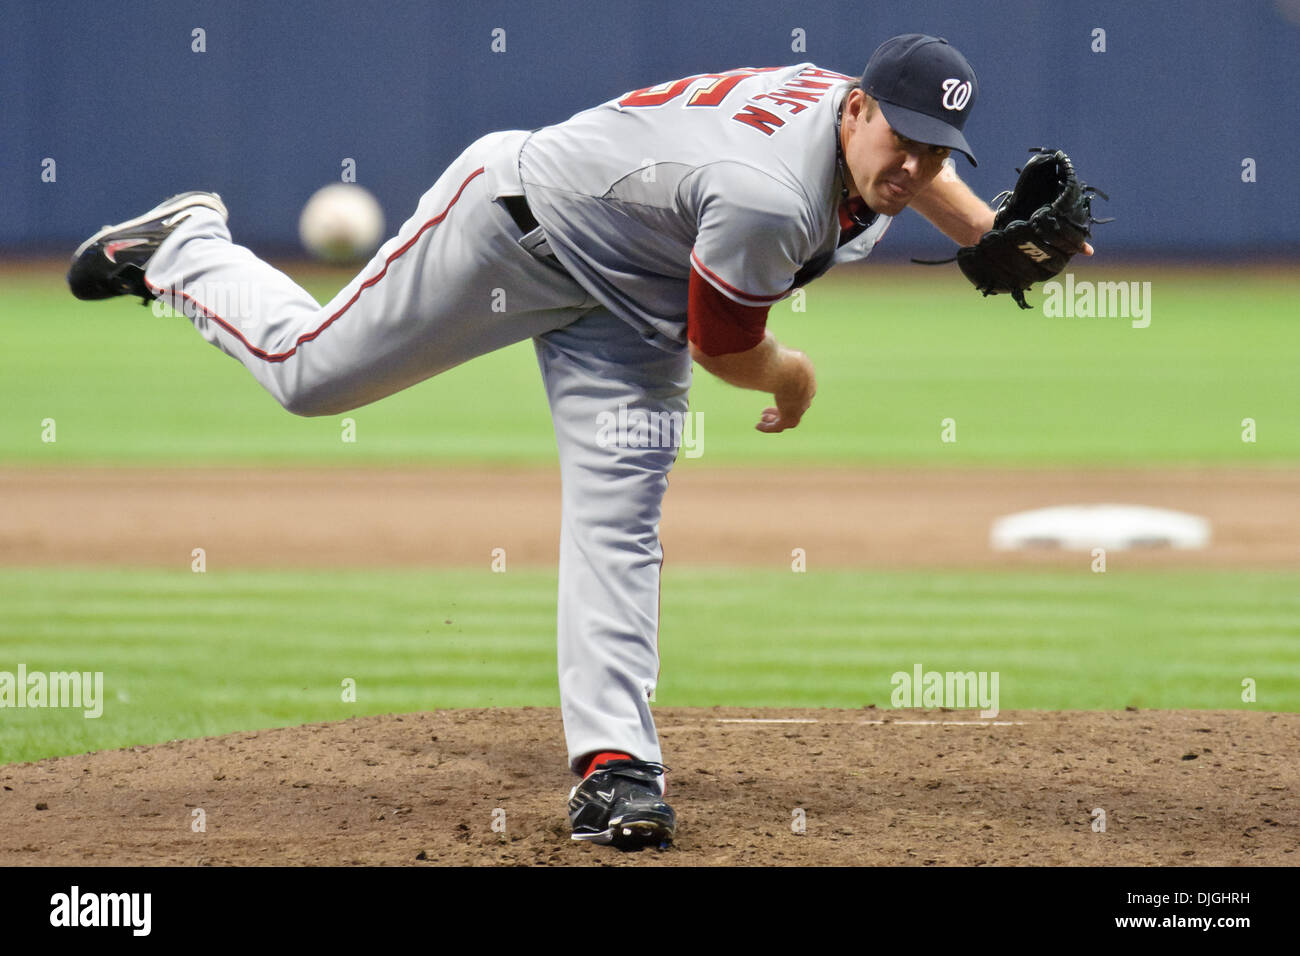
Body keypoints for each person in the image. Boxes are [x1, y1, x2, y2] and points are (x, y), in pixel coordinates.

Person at [68, 34, 1041, 851]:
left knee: (620, 518)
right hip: (512, 226)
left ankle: (616, 766)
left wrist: (987, 229)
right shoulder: (769, 197)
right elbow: (725, 346)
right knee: (313, 374)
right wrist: (795, 375)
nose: (912, 163)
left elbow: (909, 175)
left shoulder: (855, 122)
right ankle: (186, 247)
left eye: (936, 146)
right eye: (901, 135)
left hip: (634, 298)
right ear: (857, 109)